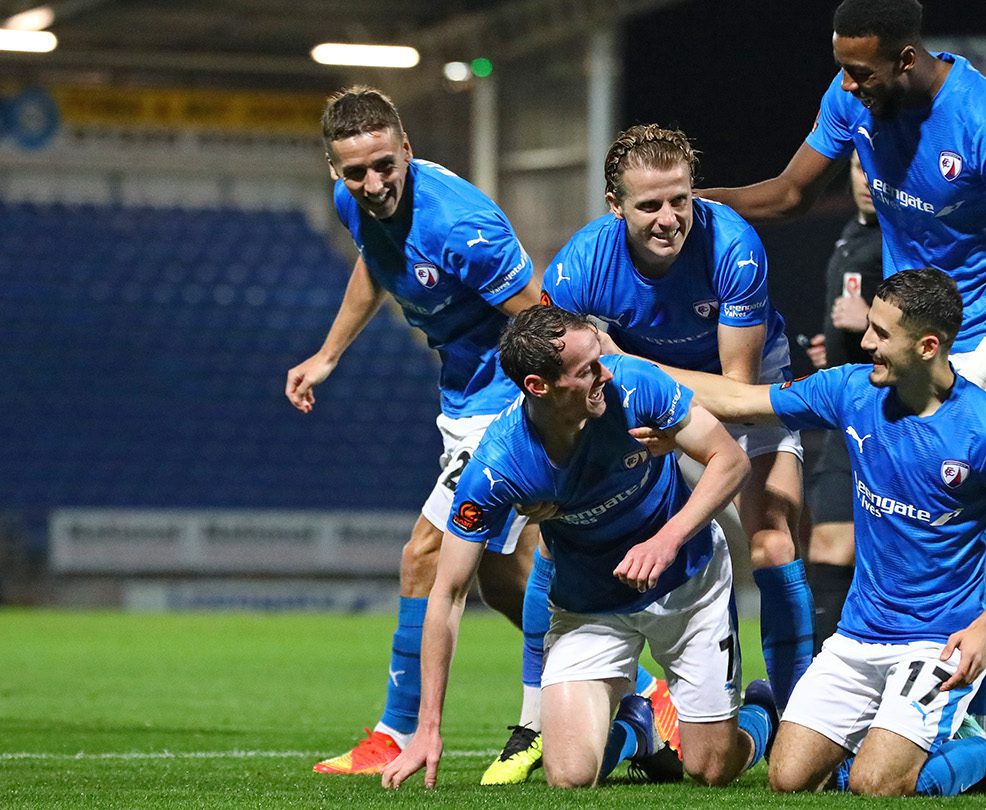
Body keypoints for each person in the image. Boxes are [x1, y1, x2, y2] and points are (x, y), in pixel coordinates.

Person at [698, 0, 986, 730]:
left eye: (859, 70)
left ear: (906, 59)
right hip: (902, 330)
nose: (847, 83)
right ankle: (901, 678)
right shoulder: (852, 96)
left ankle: (984, 718)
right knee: (893, 506)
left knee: (977, 511)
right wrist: (689, 205)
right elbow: (789, 192)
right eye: (841, 66)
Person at [632, 269, 986, 797]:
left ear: (928, 346)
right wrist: (631, 369)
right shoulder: (851, 390)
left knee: (876, 785)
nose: (865, 342)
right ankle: (903, 738)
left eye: (881, 333)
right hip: (859, 636)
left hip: (938, 642)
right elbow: (742, 400)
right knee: (788, 779)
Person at [378, 306, 777, 790]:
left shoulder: (633, 383)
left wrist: (667, 539)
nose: (605, 373)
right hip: (589, 607)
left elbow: (730, 461)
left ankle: (761, 712)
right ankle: (640, 725)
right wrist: (428, 728)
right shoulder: (496, 466)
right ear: (538, 386)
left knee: (711, 768)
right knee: (568, 776)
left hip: (685, 583)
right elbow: (449, 593)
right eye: (587, 369)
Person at [286, 86, 543, 775]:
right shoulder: (356, 203)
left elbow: (545, 322)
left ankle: (396, 734)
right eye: (354, 173)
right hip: (459, 392)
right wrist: (328, 354)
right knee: (505, 581)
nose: (372, 185)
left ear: (406, 150)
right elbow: (376, 265)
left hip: (505, 395)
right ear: (336, 173)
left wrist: (557, 421)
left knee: (423, 554)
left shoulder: (463, 227)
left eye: (382, 166)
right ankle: (638, 691)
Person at [539, 124, 814, 712]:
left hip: (740, 379)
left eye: (680, 200)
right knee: (550, 538)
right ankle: (538, 717)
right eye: (649, 205)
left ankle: (799, 714)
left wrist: (627, 362)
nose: (669, 218)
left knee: (772, 544)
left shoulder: (735, 248)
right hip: (641, 394)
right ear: (615, 207)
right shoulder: (577, 267)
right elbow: (552, 369)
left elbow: (736, 391)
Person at [803, 153, 883, 645]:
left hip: (894, 415)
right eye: (857, 167)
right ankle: (814, 689)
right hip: (844, 409)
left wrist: (871, 318)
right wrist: (830, 348)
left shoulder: (906, 235)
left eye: (877, 167)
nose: (867, 179)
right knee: (828, 541)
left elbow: (940, 314)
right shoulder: (850, 232)